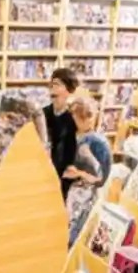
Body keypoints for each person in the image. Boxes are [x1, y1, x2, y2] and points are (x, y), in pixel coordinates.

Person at [64, 95, 112, 245]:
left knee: (75, 233)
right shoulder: (79, 136)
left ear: (86, 119)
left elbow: (100, 179)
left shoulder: (97, 143)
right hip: (72, 191)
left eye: (76, 119)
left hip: (85, 195)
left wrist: (78, 173)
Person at [44, 68, 79, 200]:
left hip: (63, 179)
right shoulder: (43, 114)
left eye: (57, 84)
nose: (53, 88)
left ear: (68, 89)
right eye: (51, 84)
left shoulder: (73, 118)